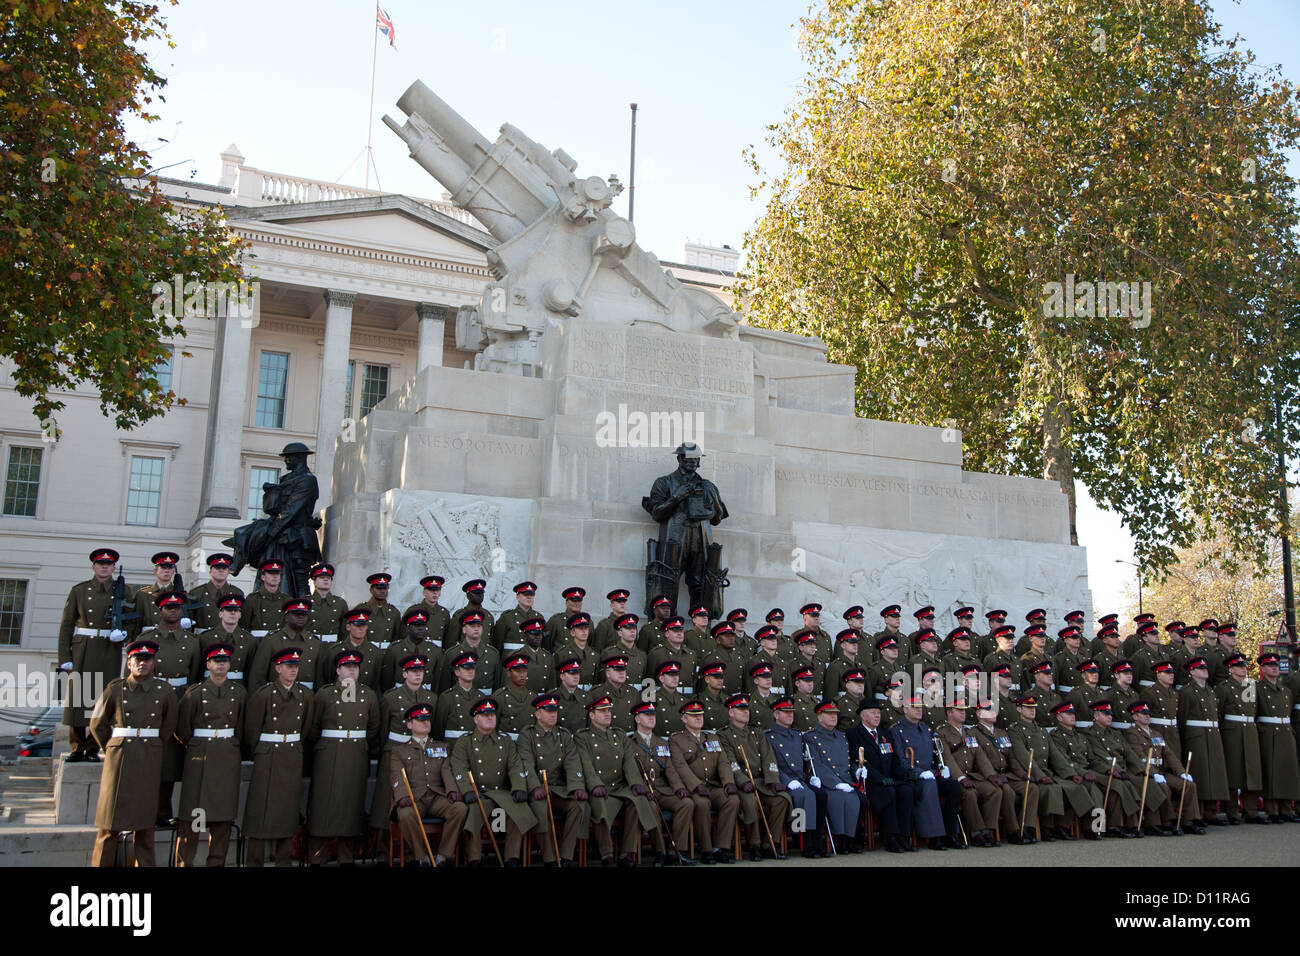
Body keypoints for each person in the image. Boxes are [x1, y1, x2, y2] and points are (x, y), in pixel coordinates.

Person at [88, 640, 178, 866]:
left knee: (145, 825)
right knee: (109, 823)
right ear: (129, 663)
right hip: (119, 759)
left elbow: (169, 724)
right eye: (137, 660)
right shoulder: (115, 688)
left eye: (147, 660)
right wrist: (112, 746)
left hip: (149, 757)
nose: (142, 664)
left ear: (153, 663)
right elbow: (97, 724)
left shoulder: (163, 690)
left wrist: (155, 746)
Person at [305, 649, 381, 865]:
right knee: (322, 806)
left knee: (351, 806)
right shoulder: (325, 694)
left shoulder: (368, 695)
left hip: (355, 754)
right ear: (338, 670)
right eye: (347, 667)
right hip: (328, 755)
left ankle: (346, 857)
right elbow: (313, 726)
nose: (351, 670)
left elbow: (373, 727)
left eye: (355, 667)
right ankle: (317, 856)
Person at [242, 646, 315, 867]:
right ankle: (254, 861)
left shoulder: (304, 695)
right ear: (278, 668)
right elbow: (252, 730)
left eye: (296, 667)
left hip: (291, 754)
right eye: (289, 667)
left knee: (288, 811)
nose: (293, 671)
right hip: (268, 754)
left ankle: (284, 860)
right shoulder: (264, 695)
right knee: (259, 809)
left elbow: (306, 728)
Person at [174, 643, 246, 866]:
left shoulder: (238, 693)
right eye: (217, 661)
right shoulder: (195, 693)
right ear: (208, 664)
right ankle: (185, 861)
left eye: (224, 661)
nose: (221, 665)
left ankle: (216, 862)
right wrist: (195, 745)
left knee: (222, 814)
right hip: (200, 756)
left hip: (226, 755)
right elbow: (182, 727)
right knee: (193, 814)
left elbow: (242, 727)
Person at [642, 442, 730, 615]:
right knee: (667, 581)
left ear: (699, 461)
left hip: (701, 537)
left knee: (702, 583)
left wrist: (712, 506)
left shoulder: (708, 486)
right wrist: (676, 498)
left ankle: (702, 625)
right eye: (687, 458)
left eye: (695, 458)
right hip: (674, 537)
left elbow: (717, 519)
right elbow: (657, 514)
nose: (691, 461)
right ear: (679, 458)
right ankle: (665, 626)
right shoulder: (664, 482)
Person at [450, 696, 537, 866]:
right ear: (476, 719)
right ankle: (474, 858)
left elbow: (515, 766)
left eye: (492, 714)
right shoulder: (465, 742)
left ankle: (512, 857)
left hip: (500, 792)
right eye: (485, 715)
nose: (490, 718)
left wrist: (519, 786)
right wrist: (466, 790)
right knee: (473, 810)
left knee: (519, 807)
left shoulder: (506, 741)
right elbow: (459, 768)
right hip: (478, 794)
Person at [59, 547, 126, 762]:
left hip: (109, 647)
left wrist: (122, 634)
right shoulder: (79, 590)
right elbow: (67, 625)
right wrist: (65, 658)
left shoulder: (123, 590)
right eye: (100, 564)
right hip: (84, 647)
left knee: (102, 699)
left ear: (114, 567)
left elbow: (132, 618)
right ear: (93, 567)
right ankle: (77, 746)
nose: (104, 567)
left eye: (108, 564)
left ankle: (92, 746)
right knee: (78, 699)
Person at [576, 694, 657, 866]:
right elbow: (586, 765)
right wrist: (595, 784)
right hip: (600, 787)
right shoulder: (583, 737)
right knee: (599, 805)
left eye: (609, 710)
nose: (607, 714)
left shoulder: (619, 735)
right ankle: (607, 854)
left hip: (619, 786)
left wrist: (635, 783)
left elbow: (628, 761)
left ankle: (628, 853)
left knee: (637, 801)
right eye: (602, 711)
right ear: (591, 715)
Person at [389, 703, 469, 867]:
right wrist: (402, 796)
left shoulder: (442, 747)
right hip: (414, 799)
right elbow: (396, 775)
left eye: (427, 719)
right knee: (405, 815)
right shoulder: (399, 751)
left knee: (460, 808)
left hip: (436, 797)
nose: (425, 722)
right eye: (420, 719)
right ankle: (421, 857)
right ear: (410, 724)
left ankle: (443, 855)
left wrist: (452, 790)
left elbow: (447, 771)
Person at [517, 692, 590, 867]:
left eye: (555, 710)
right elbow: (525, 764)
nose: (552, 714)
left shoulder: (563, 735)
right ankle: (550, 858)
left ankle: (565, 855)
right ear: (537, 713)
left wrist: (577, 787)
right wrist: (535, 787)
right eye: (548, 710)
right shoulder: (527, 735)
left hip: (558, 788)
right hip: (538, 789)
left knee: (578, 806)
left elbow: (573, 763)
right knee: (541, 809)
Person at [371, 655, 439, 839]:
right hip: (395, 748)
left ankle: (411, 849)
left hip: (419, 752)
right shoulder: (391, 698)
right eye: (413, 671)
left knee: (416, 797)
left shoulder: (431, 698)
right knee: (387, 798)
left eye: (421, 671)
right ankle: (384, 848)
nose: (418, 675)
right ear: (404, 674)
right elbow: (383, 728)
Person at [717, 693, 791, 860]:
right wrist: (742, 781)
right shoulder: (724, 735)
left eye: (747, 709)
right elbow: (730, 762)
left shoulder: (756, 731)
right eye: (741, 709)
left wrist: (772, 780)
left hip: (761, 780)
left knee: (782, 799)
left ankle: (770, 843)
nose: (745, 712)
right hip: (742, 782)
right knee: (750, 802)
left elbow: (768, 756)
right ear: (731, 712)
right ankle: (755, 845)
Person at [668, 699, 741, 864]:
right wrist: (696, 785)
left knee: (732, 799)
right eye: (694, 716)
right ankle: (707, 849)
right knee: (701, 804)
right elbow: (680, 766)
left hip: (713, 786)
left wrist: (728, 782)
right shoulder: (676, 740)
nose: (699, 718)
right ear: (684, 719)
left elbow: (723, 762)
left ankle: (720, 848)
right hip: (694, 788)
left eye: (700, 715)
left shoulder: (712, 737)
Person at [890, 695, 964, 849]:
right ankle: (934, 836)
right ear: (904, 709)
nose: (919, 710)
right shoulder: (896, 730)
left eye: (920, 707)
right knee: (929, 786)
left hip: (930, 774)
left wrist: (940, 768)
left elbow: (935, 755)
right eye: (914, 707)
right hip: (912, 778)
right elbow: (899, 760)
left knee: (954, 787)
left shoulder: (926, 729)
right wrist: (918, 772)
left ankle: (951, 833)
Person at [1123, 700, 1206, 835]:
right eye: (1143, 713)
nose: (1147, 716)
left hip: (1162, 771)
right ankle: (1168, 821)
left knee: (1189, 785)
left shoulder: (1156, 734)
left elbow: (1169, 755)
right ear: (1135, 716)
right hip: (1147, 773)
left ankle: (1188, 820)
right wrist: (1153, 773)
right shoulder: (1132, 733)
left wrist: (1181, 773)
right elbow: (1139, 756)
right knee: (1163, 787)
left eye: (1148, 713)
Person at [845, 697, 916, 853]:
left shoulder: (885, 734)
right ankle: (891, 837)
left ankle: (904, 837)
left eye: (878, 713)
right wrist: (880, 778)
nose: (877, 716)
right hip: (871, 782)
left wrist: (904, 773)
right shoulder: (854, 734)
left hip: (890, 779)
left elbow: (894, 759)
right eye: (873, 713)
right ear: (863, 716)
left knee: (907, 790)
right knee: (889, 793)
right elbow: (861, 762)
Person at [627, 700, 690, 865]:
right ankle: (660, 851)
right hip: (644, 791)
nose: (651, 718)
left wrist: (679, 788)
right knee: (652, 807)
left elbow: (670, 770)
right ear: (637, 719)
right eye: (646, 715)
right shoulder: (629, 742)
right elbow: (629, 770)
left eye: (653, 714)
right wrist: (641, 787)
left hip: (662, 789)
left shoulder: (662, 743)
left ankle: (677, 850)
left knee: (686, 803)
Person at [969, 698, 1038, 844]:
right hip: (988, 776)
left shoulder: (1002, 733)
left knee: (1031, 787)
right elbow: (979, 760)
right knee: (1006, 790)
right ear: (979, 714)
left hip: (1007, 774)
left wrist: (1023, 774)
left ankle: (1027, 828)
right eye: (989, 710)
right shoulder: (973, 733)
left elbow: (1012, 758)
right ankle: (1013, 831)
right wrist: (992, 775)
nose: (993, 713)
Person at [935, 697, 1002, 847]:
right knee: (970, 794)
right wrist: (960, 778)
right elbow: (946, 758)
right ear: (949, 713)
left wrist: (990, 774)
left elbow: (980, 756)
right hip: (956, 778)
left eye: (964, 710)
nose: (963, 713)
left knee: (994, 791)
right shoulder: (942, 732)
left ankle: (989, 830)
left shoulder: (969, 732)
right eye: (959, 710)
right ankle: (977, 832)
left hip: (973, 775)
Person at [804, 699, 869, 853]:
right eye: (829, 714)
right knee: (841, 799)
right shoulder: (811, 737)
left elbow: (847, 761)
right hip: (828, 783)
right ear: (819, 717)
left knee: (859, 800)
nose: (834, 717)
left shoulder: (841, 736)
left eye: (835, 714)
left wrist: (857, 770)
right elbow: (816, 764)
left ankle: (850, 840)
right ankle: (841, 840)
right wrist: (835, 783)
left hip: (846, 780)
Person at [766, 697, 825, 857]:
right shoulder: (769, 737)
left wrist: (812, 776)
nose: (790, 715)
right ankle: (804, 843)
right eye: (786, 712)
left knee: (821, 795)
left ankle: (817, 840)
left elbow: (806, 760)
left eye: (791, 712)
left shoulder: (797, 735)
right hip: (783, 781)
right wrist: (786, 780)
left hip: (800, 779)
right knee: (803, 796)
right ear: (776, 715)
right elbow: (770, 764)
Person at [1178, 656, 1231, 824]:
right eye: (1200, 669)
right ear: (1192, 672)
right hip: (1196, 736)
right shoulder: (1186, 691)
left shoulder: (1210, 691)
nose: (1205, 670)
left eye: (1205, 668)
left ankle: (1210, 812)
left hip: (1212, 734)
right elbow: (1182, 717)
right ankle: (1198, 812)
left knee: (1213, 774)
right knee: (1199, 773)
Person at [1081, 699, 1145, 837]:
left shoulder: (1115, 734)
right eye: (1105, 713)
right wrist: (1113, 770)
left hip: (1118, 770)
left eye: (1110, 713)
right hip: (1100, 770)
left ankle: (1135, 822)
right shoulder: (1090, 733)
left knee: (1141, 781)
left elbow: (1129, 753)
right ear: (1096, 716)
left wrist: (1143, 770)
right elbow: (1099, 757)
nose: (1110, 716)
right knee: (1117, 785)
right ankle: (1117, 825)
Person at [1044, 700, 1106, 839]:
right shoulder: (1056, 736)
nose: (1073, 716)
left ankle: (1096, 827)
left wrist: (1104, 770)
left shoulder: (1080, 736)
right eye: (1068, 713)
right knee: (1088, 788)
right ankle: (1092, 828)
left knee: (1100, 786)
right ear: (1059, 717)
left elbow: (1091, 759)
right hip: (1068, 773)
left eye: (1073, 713)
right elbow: (1063, 761)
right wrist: (1082, 773)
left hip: (1086, 771)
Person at [1217, 653, 1265, 822]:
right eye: (1239, 666)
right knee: (1234, 770)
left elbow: (1255, 710)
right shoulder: (1223, 688)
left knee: (1252, 771)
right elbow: (1219, 713)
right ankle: (1232, 811)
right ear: (1231, 669)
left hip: (1249, 730)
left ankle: (1251, 811)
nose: (1243, 669)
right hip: (1232, 731)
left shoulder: (1250, 686)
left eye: (1244, 666)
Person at [1255, 651, 1300, 822]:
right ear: (1263, 669)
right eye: (1270, 666)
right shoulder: (1256, 689)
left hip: (1285, 731)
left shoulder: (1285, 691)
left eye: (1276, 665)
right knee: (1271, 772)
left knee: (1288, 771)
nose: (1274, 668)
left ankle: (1287, 808)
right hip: (1268, 732)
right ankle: (1272, 809)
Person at [250, 596, 326, 691]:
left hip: (306, 697)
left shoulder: (315, 642)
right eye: (296, 614)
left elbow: (320, 679)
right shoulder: (272, 639)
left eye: (304, 614)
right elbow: (258, 675)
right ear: (286, 617)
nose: (301, 617)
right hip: (276, 696)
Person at [199, 594, 256, 688]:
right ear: (220, 614)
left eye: (236, 610)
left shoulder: (249, 640)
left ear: (240, 614)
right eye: (229, 610)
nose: (233, 613)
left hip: (238, 689)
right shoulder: (205, 638)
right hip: (209, 687)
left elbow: (251, 672)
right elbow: (199, 669)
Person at [187, 552, 244, 634]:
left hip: (228, 639)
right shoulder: (196, 593)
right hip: (202, 639)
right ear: (210, 571)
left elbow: (242, 622)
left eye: (224, 568)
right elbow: (190, 621)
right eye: (217, 568)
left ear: (228, 572)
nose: (221, 570)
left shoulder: (237, 593)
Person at [433, 651, 484, 740]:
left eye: (472, 668)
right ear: (457, 672)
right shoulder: (447, 697)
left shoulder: (481, 698)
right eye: (466, 668)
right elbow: (438, 730)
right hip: (453, 746)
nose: (470, 671)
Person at [398, 575, 452, 649]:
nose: (435, 593)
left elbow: (448, 639)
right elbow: (403, 634)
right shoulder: (413, 610)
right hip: (416, 651)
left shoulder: (444, 613)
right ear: (424, 592)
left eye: (438, 590)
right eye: (431, 590)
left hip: (437, 653)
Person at [493, 580, 545, 655]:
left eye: (532, 595)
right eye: (525, 595)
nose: (529, 597)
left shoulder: (539, 618)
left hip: (533, 661)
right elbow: (498, 642)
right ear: (517, 597)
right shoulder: (507, 617)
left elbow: (543, 644)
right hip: (511, 659)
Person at [493, 652, 536, 739]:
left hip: (527, 743)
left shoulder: (533, 696)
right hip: (506, 743)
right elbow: (493, 726)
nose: (522, 675)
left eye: (524, 671)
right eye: (518, 671)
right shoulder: (499, 696)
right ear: (508, 673)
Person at [306, 563, 348, 645]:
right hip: (310, 645)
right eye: (322, 577)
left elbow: (344, 631)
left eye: (328, 578)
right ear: (314, 581)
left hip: (332, 646)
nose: (326, 580)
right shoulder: (306, 602)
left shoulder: (340, 603)